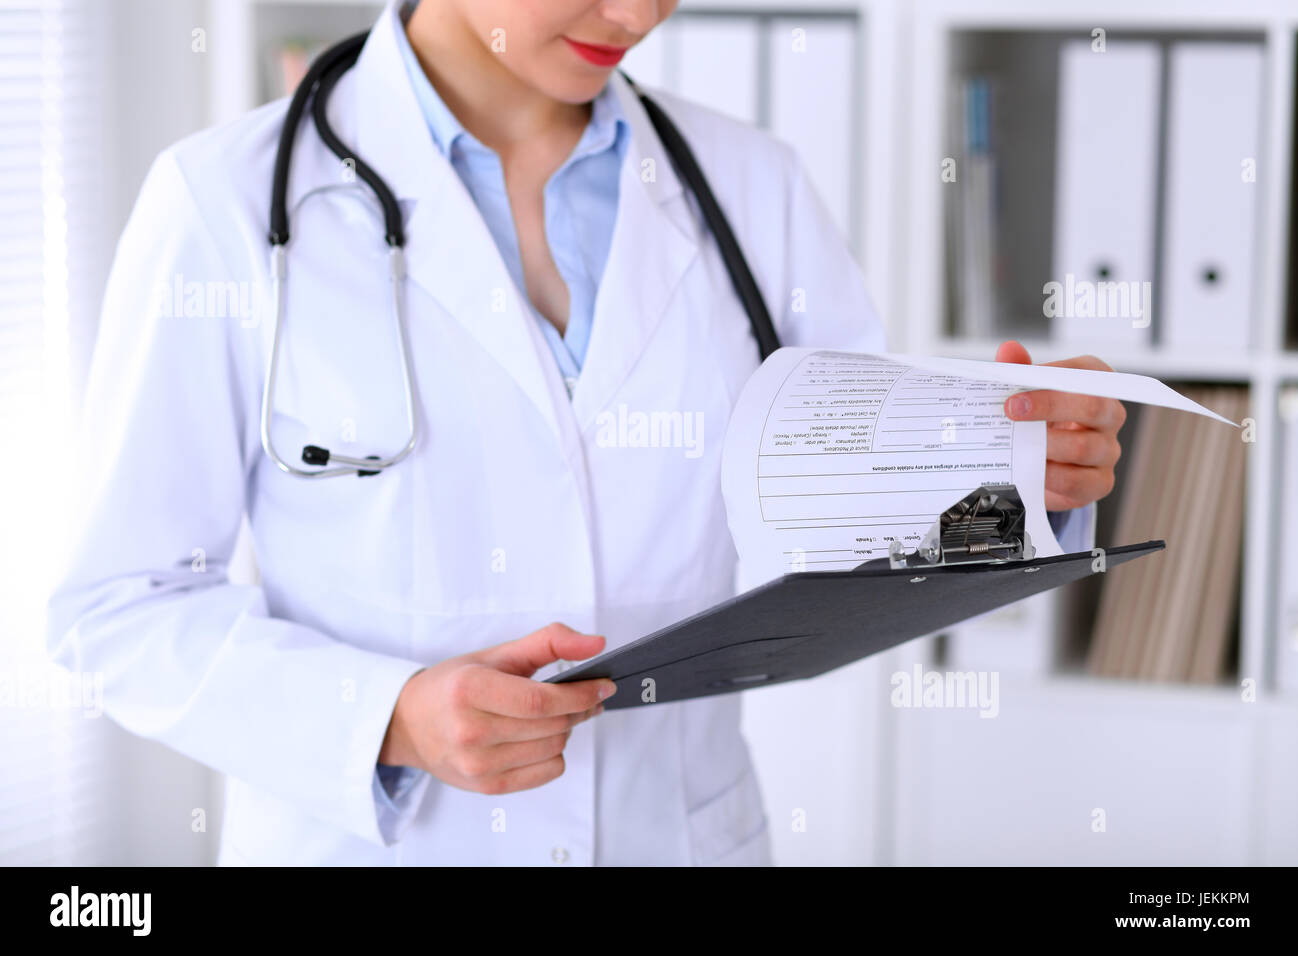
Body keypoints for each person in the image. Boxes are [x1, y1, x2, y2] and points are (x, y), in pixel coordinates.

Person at [46, 0, 1123, 865]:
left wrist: (1019, 473)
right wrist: (389, 717)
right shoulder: (221, 201)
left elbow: (856, 531)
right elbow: (119, 610)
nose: (640, 12)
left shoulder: (753, 186)